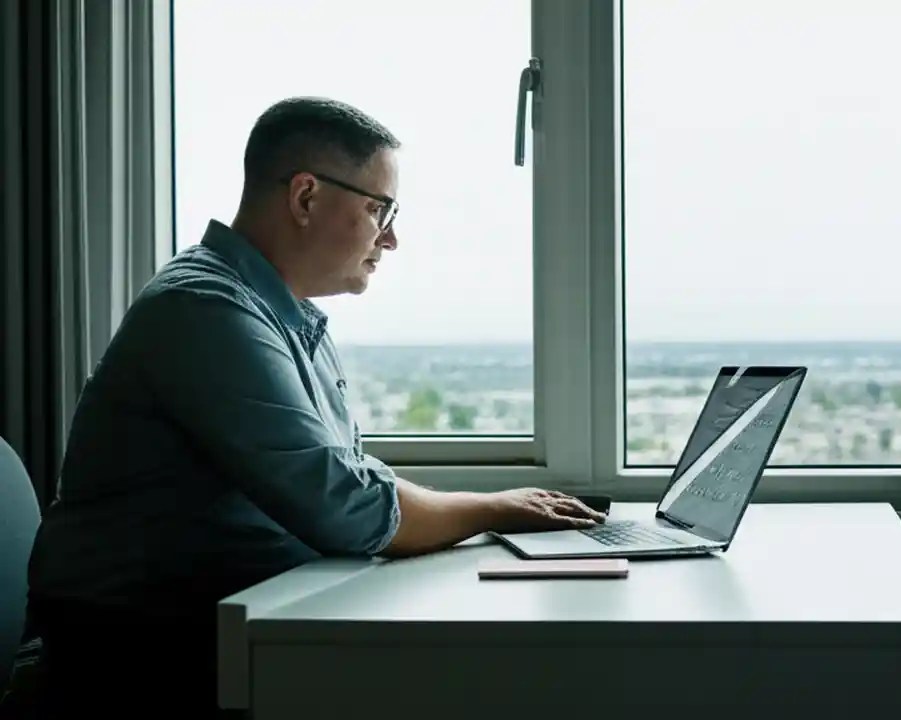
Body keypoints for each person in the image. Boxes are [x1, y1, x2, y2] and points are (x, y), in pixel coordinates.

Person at [24, 97, 605, 718]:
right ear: (305, 197)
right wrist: (496, 509)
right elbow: (345, 506)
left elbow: (351, 482)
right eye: (379, 209)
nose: (391, 237)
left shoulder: (283, 318)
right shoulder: (204, 311)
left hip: (219, 624)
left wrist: (489, 514)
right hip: (137, 657)